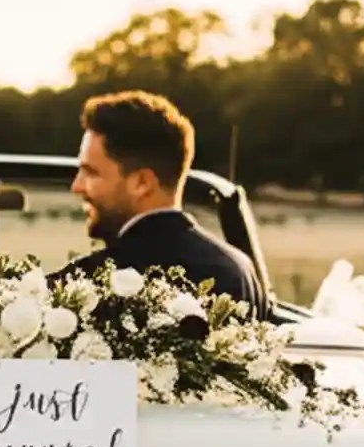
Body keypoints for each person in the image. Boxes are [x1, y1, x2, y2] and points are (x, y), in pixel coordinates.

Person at [51, 91, 272, 321]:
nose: (77, 186)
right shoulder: (240, 271)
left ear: (142, 183)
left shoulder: (83, 286)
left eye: (90, 173)